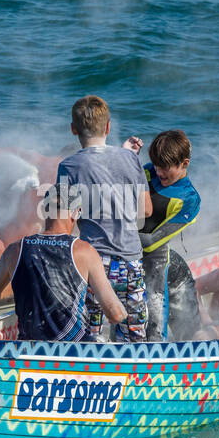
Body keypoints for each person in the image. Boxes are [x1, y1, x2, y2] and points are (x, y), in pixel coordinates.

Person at [55, 96, 152, 342]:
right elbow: (147, 210)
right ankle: (133, 376)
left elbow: (63, 219)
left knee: (91, 336)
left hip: (93, 263)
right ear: (108, 127)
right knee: (133, 334)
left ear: (73, 129)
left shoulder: (69, 166)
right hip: (130, 261)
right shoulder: (129, 158)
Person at [0, 184, 127, 341]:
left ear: (45, 210)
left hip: (29, 351)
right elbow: (115, 314)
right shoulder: (84, 251)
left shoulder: (15, 249)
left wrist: (29, 286)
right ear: (75, 213)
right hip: (74, 351)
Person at [138, 130, 201, 340]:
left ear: (184, 163)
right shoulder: (148, 172)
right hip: (136, 259)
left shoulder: (189, 199)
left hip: (165, 268)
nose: (159, 172)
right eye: (155, 165)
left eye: (165, 167)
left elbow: (150, 243)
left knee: (177, 335)